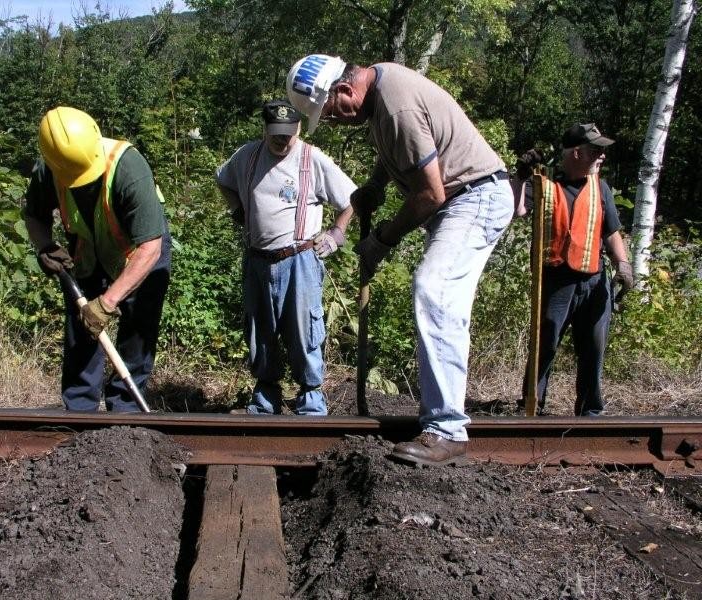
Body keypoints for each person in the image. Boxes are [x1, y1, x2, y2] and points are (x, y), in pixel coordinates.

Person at [286, 55, 514, 465]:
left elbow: (430, 194)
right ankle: (442, 421)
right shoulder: (380, 89)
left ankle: (447, 430)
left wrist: (381, 241)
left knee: (435, 289)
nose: (334, 121)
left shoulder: (395, 104)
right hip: (462, 197)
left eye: (331, 112)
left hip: (476, 195)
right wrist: (375, 185)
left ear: (343, 89)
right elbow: (403, 146)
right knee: (437, 291)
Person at [24, 106, 171, 412]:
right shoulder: (50, 168)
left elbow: (150, 248)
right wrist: (44, 246)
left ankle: (126, 411)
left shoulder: (128, 167)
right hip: (87, 253)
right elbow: (35, 217)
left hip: (139, 252)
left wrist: (106, 303)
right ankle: (79, 409)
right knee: (83, 326)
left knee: (138, 328)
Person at [215, 99, 355, 415]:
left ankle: (311, 398)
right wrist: (239, 210)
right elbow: (222, 180)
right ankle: (266, 397)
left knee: (304, 329)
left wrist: (337, 233)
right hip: (257, 259)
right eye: (275, 133)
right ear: (264, 129)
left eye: (288, 134)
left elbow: (350, 200)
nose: (281, 140)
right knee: (260, 330)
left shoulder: (312, 159)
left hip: (300, 259)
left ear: (299, 129)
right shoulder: (247, 156)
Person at [513, 123, 634, 416]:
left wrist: (624, 265)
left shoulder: (600, 187)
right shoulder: (544, 183)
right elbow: (516, 211)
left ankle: (590, 412)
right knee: (545, 344)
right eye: (596, 151)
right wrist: (520, 177)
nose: (602, 156)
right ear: (577, 153)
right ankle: (532, 406)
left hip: (594, 280)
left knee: (594, 347)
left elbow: (612, 232)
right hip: (556, 280)